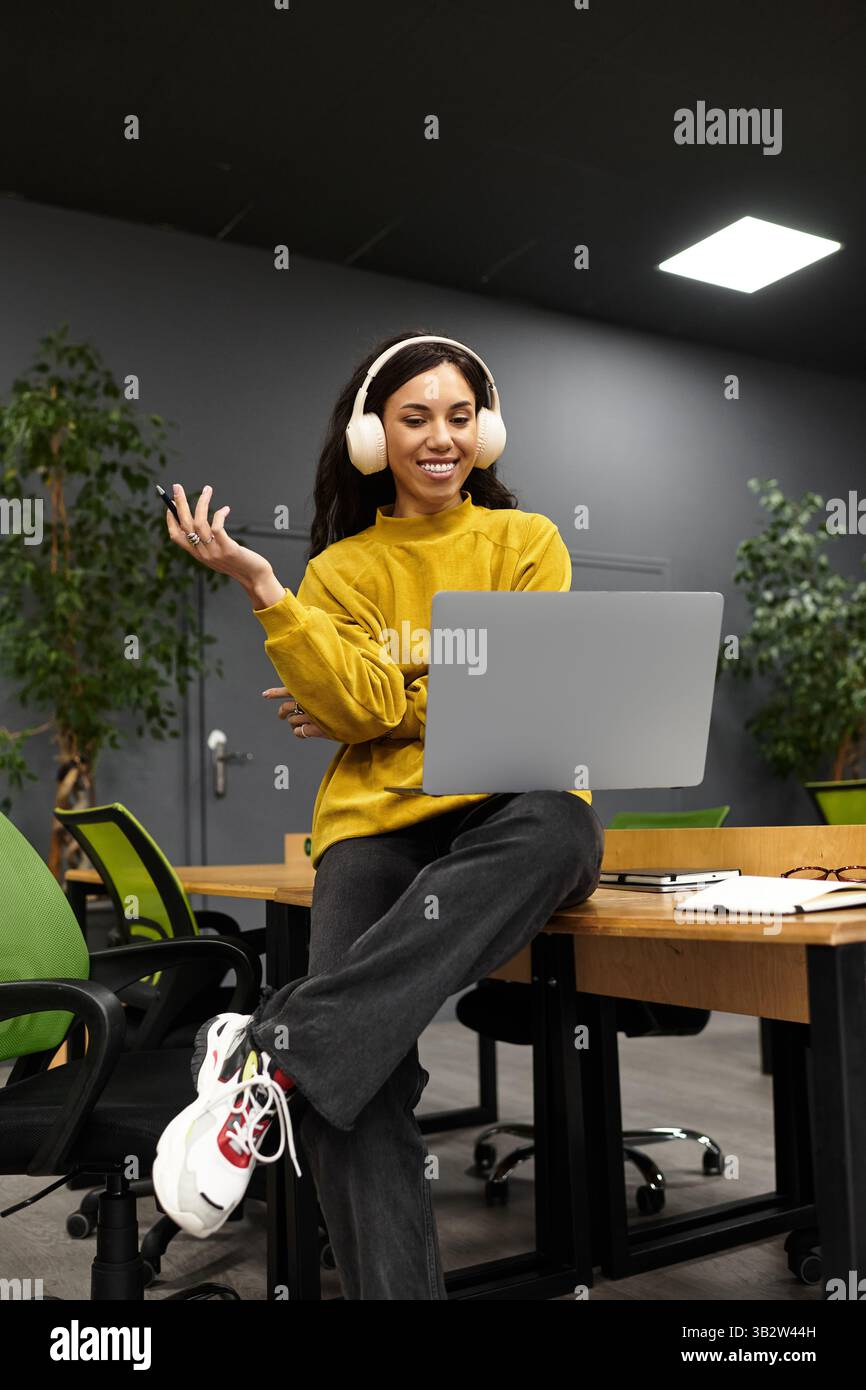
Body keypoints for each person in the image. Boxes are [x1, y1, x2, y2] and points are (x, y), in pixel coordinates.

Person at [151, 330, 605, 1299]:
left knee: (566, 830)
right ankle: (309, 1063)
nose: (438, 437)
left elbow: (509, 698)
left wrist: (384, 698)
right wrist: (267, 589)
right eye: (413, 418)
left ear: (483, 431)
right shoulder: (340, 571)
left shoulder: (526, 545)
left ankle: (278, 1043)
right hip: (376, 821)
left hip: (509, 806)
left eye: (457, 416)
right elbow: (351, 701)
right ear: (372, 438)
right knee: (353, 1095)